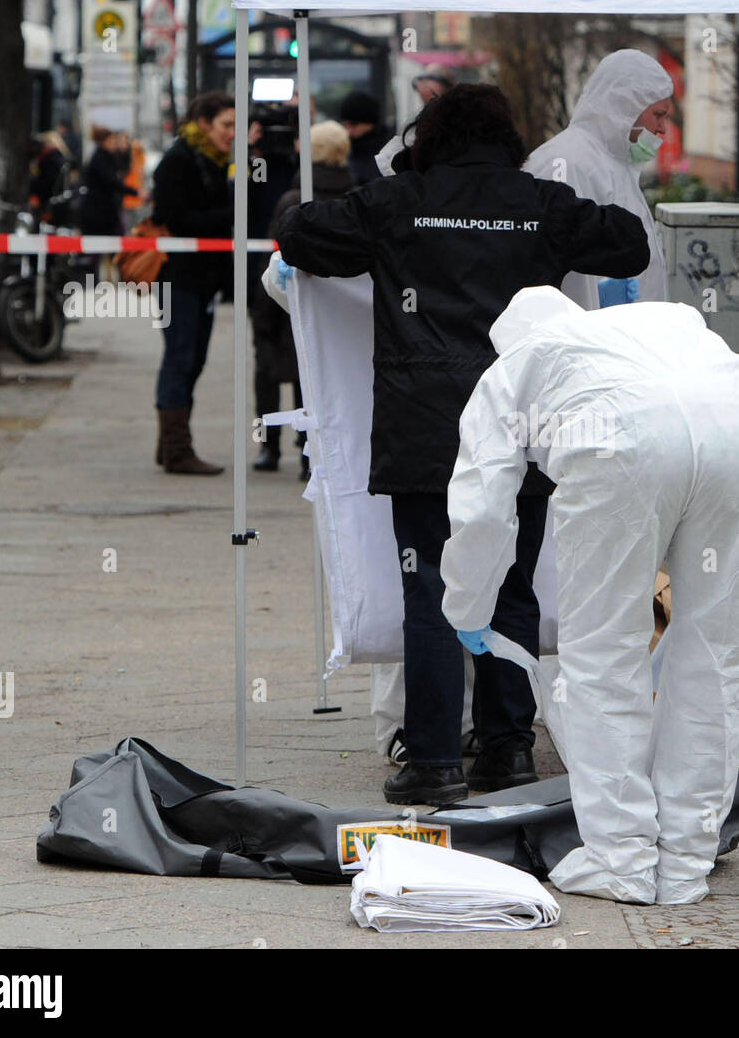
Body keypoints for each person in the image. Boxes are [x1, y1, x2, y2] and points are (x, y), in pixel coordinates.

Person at [276, 85, 650, 806]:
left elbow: (300, 233)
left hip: (426, 432)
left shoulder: (395, 202)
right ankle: (507, 751)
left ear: (432, 134)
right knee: (511, 587)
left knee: (434, 592)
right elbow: (627, 244)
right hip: (523, 427)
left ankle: (434, 761)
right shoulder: (540, 204)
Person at [440, 286, 739, 905]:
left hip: (618, 448)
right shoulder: (662, 322)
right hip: (738, 447)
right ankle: (687, 861)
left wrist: (466, 607)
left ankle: (622, 861)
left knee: (603, 655)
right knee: (715, 654)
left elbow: (480, 504)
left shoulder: (516, 365)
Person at [524, 49, 674, 309]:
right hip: (587, 337)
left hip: (619, 336)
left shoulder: (616, 164)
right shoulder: (566, 162)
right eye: (658, 115)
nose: (662, 129)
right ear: (627, 106)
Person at [255, 121, 355, 477]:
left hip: (288, 298)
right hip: (332, 304)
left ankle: (269, 447)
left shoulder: (295, 198)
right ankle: (308, 453)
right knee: (312, 376)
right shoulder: (357, 196)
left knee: (268, 372)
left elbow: (274, 252)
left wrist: (262, 308)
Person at [150, 91, 238, 475]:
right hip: (179, 278)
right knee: (180, 357)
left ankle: (168, 446)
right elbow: (179, 219)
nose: (232, 134)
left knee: (194, 359)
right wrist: (234, 211)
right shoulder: (179, 161)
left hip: (203, 279)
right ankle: (176, 449)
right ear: (204, 123)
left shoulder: (215, 161)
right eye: (226, 125)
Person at [82, 128, 137, 238]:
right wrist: (134, 192)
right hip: (100, 210)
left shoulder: (107, 157)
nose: (114, 144)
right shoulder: (100, 159)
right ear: (104, 141)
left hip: (107, 209)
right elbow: (112, 181)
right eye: (112, 141)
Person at [337, 90, 394, 185]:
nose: (348, 131)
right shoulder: (342, 150)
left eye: (354, 124)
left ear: (371, 123)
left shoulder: (391, 151)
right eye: (345, 125)